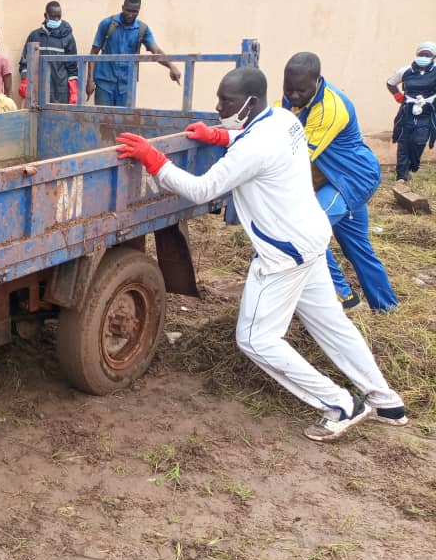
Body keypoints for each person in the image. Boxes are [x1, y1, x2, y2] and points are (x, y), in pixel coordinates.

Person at [115, 66, 407, 442]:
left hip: (284, 254)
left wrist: (153, 159)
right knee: (333, 325)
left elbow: (203, 189)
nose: (218, 105)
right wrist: (220, 135)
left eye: (227, 101)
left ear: (250, 102)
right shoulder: (283, 119)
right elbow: (250, 140)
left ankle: (340, 404)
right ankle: (386, 401)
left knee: (255, 339)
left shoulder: (255, 146)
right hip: (312, 238)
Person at [281, 52, 398, 312]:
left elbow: (295, 155)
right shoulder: (290, 100)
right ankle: (387, 307)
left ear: (317, 81)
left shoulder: (330, 108)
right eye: (288, 88)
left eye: (300, 90)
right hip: (333, 180)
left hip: (349, 179)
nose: (293, 96)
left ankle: (344, 297)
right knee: (358, 247)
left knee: (307, 230)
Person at [86, 0, 181, 106]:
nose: (130, 15)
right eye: (128, 10)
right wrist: (90, 80)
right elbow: (93, 54)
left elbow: (156, 51)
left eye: (134, 11)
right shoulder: (107, 24)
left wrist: (171, 66)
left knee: (125, 121)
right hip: (104, 83)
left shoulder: (142, 29)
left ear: (139, 11)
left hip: (127, 86)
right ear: (122, 8)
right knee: (104, 121)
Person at [387, 41, 436, 183]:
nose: (424, 57)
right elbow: (390, 83)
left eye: (428, 55)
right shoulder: (406, 71)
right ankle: (401, 175)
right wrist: (398, 96)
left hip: (427, 112)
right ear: (417, 54)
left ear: (433, 57)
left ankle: (412, 166)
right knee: (404, 141)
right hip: (407, 111)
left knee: (419, 142)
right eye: (422, 54)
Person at [18, 1, 78, 104]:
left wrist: (74, 91)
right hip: (37, 91)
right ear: (46, 15)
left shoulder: (67, 37)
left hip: (60, 92)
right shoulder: (34, 36)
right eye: (53, 16)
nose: (56, 19)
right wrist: (25, 81)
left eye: (59, 16)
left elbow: (72, 67)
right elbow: (25, 63)